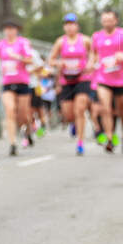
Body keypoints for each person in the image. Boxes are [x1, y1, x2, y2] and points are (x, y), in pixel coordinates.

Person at [89, 9, 123, 154]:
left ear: (116, 20)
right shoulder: (96, 36)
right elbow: (93, 54)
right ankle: (110, 138)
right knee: (105, 108)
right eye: (104, 20)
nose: (107, 23)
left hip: (121, 80)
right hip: (103, 78)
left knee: (122, 112)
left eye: (110, 20)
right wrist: (91, 64)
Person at [49, 13, 94, 154]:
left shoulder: (85, 40)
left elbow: (94, 54)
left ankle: (80, 142)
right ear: (64, 27)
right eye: (67, 24)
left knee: (79, 109)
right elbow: (51, 60)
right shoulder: (60, 42)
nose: (70, 27)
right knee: (68, 114)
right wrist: (59, 63)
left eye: (72, 24)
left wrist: (90, 63)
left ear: (77, 26)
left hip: (82, 78)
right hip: (67, 80)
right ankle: (73, 123)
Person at [0, 20, 36, 155]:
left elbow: (30, 59)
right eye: (6, 29)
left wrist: (18, 57)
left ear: (16, 30)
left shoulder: (23, 43)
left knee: (23, 115)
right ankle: (12, 143)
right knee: (10, 110)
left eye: (12, 29)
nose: (9, 32)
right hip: (7, 83)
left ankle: (28, 131)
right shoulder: (1, 44)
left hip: (22, 82)